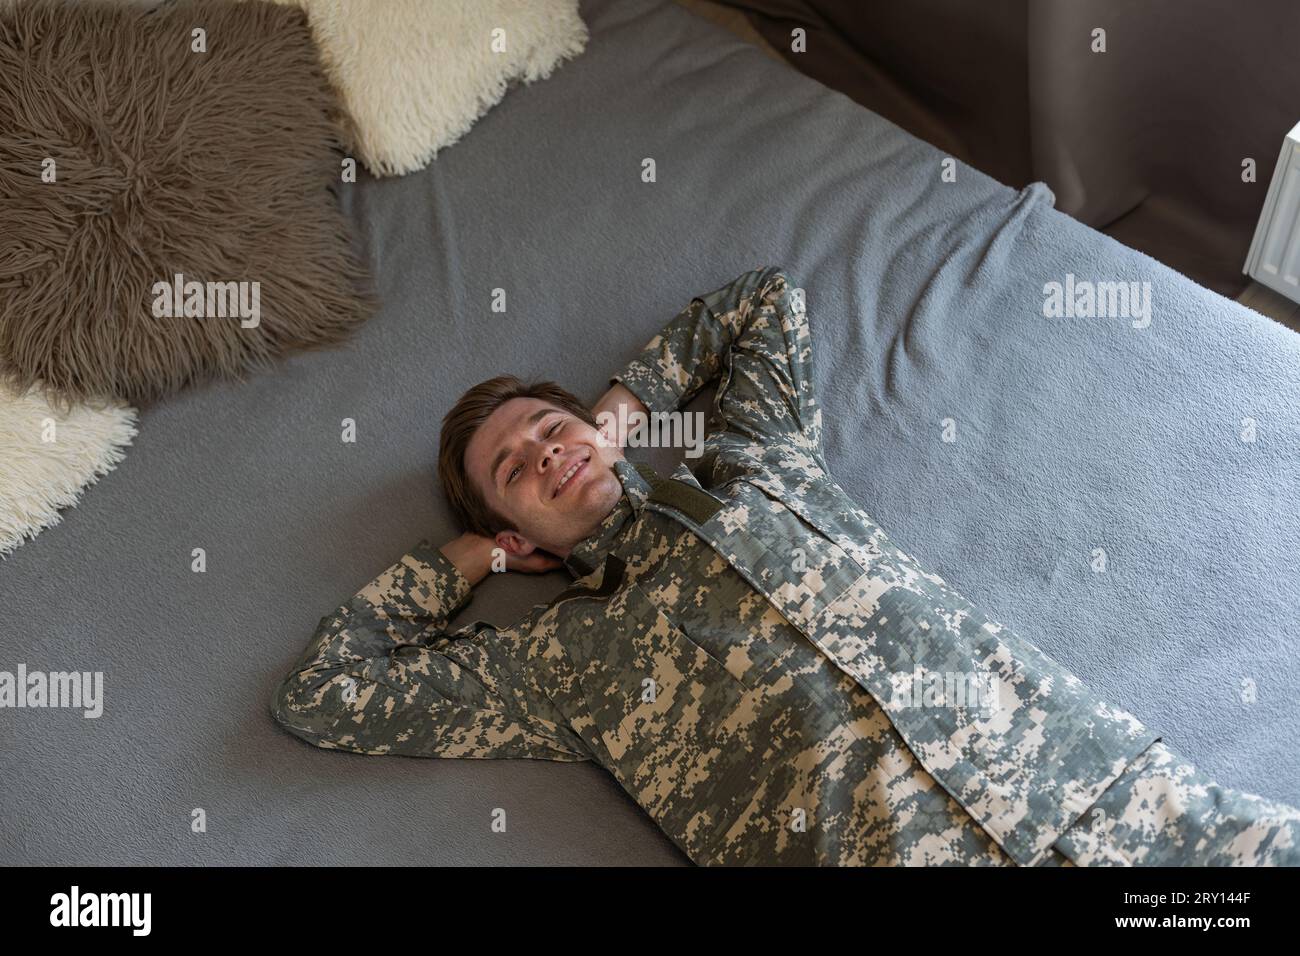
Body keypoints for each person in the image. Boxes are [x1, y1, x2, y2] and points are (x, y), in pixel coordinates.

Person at [271, 266, 1300, 866]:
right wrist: (463, 558)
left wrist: (625, 409)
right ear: (523, 536)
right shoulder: (557, 663)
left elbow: (765, 299)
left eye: (549, 425)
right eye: (513, 468)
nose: (544, 450)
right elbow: (328, 692)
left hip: (1095, 793)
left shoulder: (755, 466)